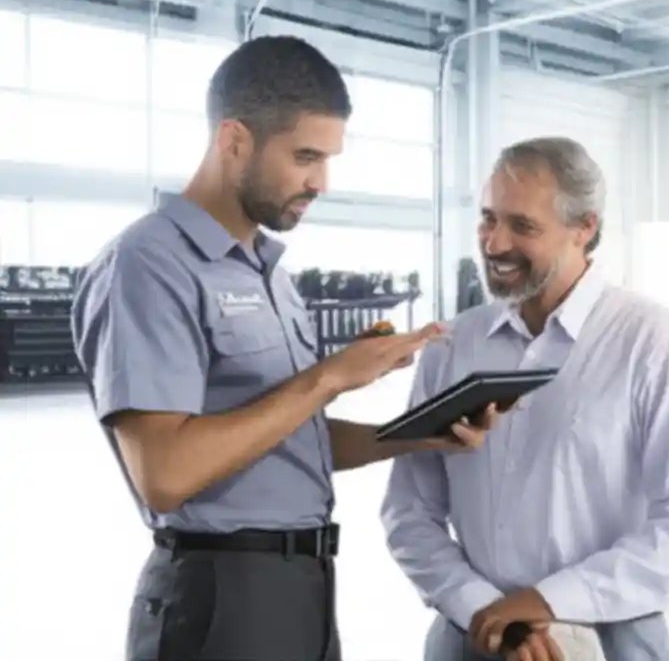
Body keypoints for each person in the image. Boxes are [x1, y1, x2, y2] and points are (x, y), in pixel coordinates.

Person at [70, 35, 498, 661]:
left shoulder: (266, 271)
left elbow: (290, 438)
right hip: (221, 597)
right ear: (234, 140)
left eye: (328, 158)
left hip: (302, 587)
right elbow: (163, 475)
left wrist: (415, 435)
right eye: (304, 156)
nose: (321, 181)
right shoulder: (148, 265)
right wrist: (327, 376)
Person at [381, 137, 669, 661]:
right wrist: (479, 605)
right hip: (469, 637)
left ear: (584, 228)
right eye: (487, 219)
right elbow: (409, 509)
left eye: (522, 226)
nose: (495, 243)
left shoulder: (655, 341)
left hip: (609, 639)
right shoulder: (453, 343)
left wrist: (547, 600)